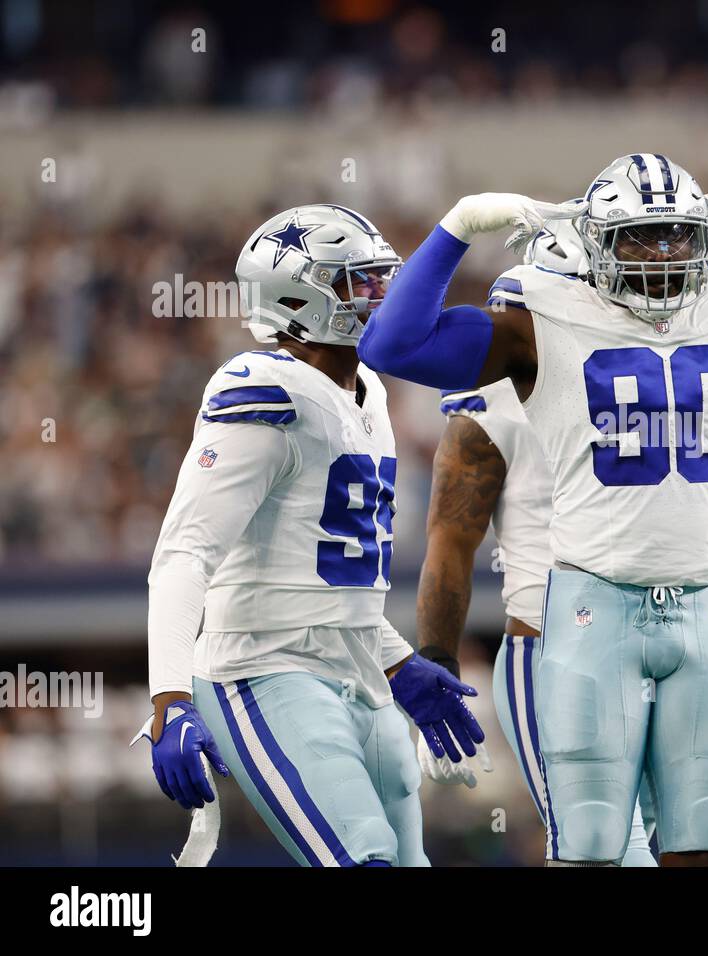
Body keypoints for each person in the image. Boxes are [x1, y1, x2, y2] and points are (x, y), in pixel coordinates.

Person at [358, 154, 708, 865]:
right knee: (594, 851)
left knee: (707, 843)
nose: (662, 255)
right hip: (592, 609)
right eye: (639, 238)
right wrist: (459, 226)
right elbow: (391, 344)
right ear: (592, 245)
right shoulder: (541, 320)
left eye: (677, 235)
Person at [418, 212, 708, 866]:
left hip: (679, 630)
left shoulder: (661, 378)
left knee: (686, 840)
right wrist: (436, 663)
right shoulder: (494, 401)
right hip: (551, 641)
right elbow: (451, 543)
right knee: (608, 848)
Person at [141, 204, 483, 867]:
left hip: (356, 670)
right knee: (364, 859)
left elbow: (324, 578)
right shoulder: (265, 389)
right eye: (361, 282)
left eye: (382, 279)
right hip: (263, 669)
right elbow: (185, 553)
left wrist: (395, 658)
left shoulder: (372, 393)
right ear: (298, 296)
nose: (382, 296)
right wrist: (169, 697)